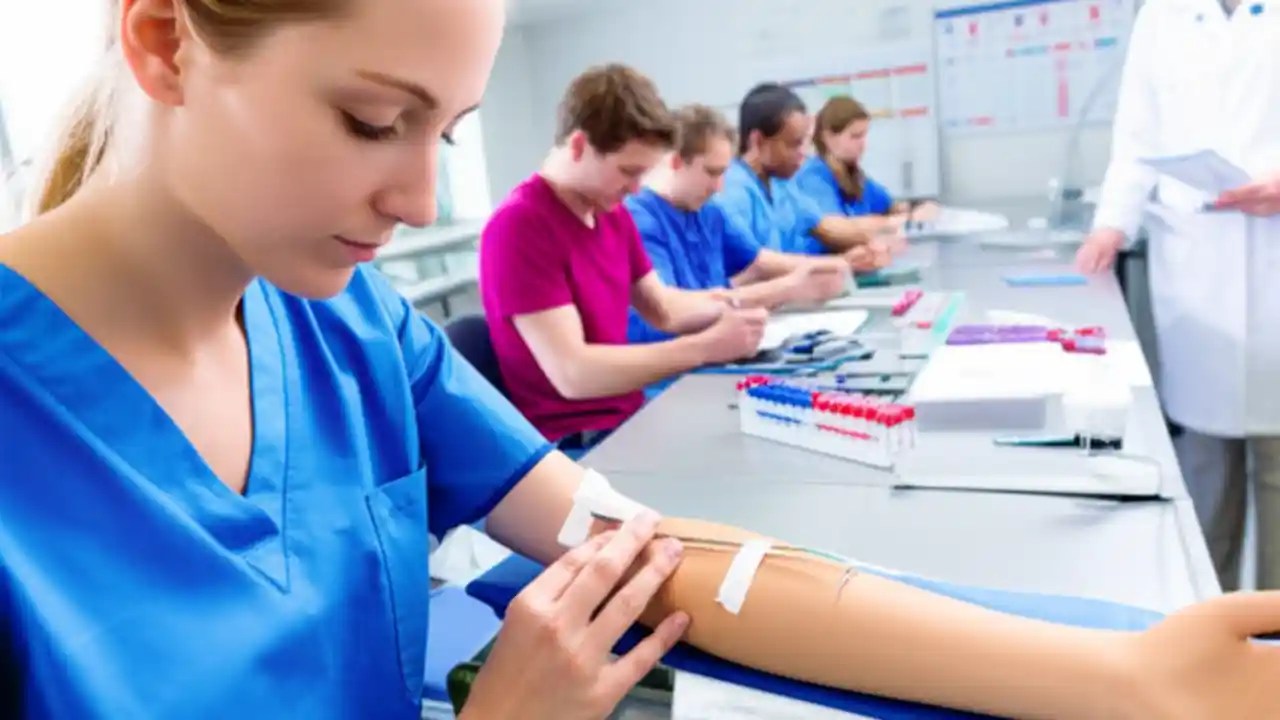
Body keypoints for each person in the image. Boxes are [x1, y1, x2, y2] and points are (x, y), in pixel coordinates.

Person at [5, 2, 1280, 719]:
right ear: (165, 41)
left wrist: (1115, 673)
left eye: (444, 133)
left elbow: (645, 550)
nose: (412, 193)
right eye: (371, 122)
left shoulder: (348, 331)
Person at [1075, 0, 1280, 592]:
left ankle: (1272, 647)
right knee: (1205, 471)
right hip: (1196, 259)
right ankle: (1207, 637)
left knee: (1278, 465)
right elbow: (1135, 139)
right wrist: (1111, 225)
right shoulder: (1162, 15)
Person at [479, 65, 766, 452]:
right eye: (627, 172)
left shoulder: (611, 212)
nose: (636, 189)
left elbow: (663, 308)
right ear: (579, 146)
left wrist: (732, 308)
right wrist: (705, 348)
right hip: (576, 449)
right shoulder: (519, 226)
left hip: (632, 419)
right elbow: (574, 373)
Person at [625, 104, 860, 344]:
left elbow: (758, 261)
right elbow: (669, 313)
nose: (719, 187)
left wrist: (832, 267)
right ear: (676, 162)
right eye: (711, 172)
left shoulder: (709, 211)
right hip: (674, 368)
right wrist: (788, 288)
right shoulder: (640, 220)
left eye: (723, 173)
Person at [717, 83, 899, 260]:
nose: (802, 153)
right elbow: (756, 267)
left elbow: (829, 227)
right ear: (758, 141)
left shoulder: (781, 186)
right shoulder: (734, 192)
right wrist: (841, 263)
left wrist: (893, 230)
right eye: (793, 144)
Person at [795, 95, 939, 228]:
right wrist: (907, 219)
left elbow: (888, 206)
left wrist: (917, 208)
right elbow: (839, 228)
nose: (863, 144)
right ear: (827, 137)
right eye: (855, 136)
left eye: (864, 135)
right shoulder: (814, 178)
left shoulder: (856, 177)